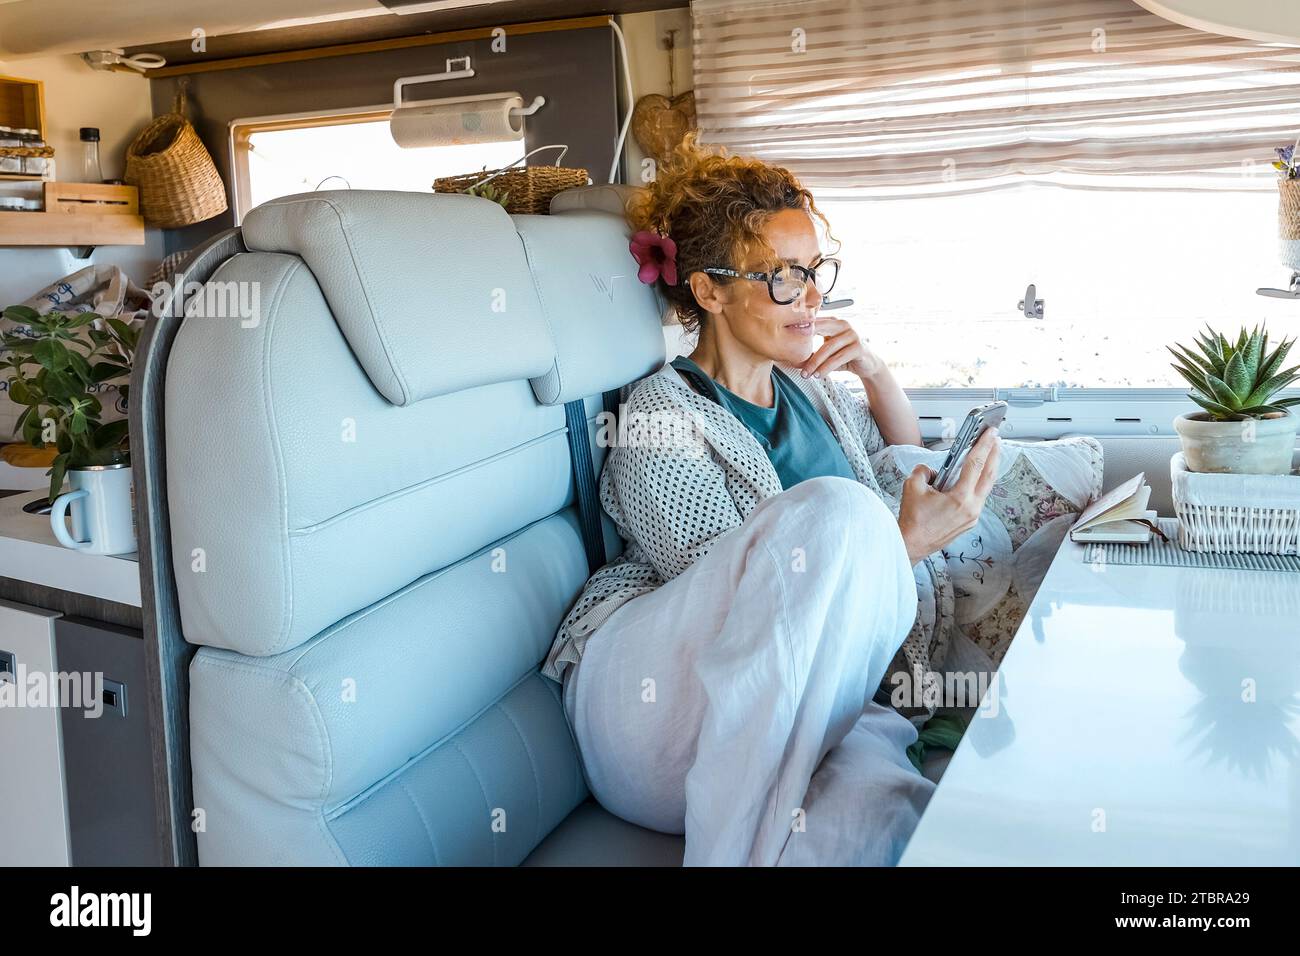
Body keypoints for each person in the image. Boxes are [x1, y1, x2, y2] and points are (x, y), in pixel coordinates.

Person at [540, 135, 1001, 866]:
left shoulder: (815, 391)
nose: (811, 296)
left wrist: (874, 372)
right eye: (783, 277)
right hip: (654, 710)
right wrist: (905, 543)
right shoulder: (659, 415)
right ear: (709, 292)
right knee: (842, 512)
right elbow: (742, 601)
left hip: (800, 711)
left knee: (894, 828)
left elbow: (895, 461)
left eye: (815, 271)